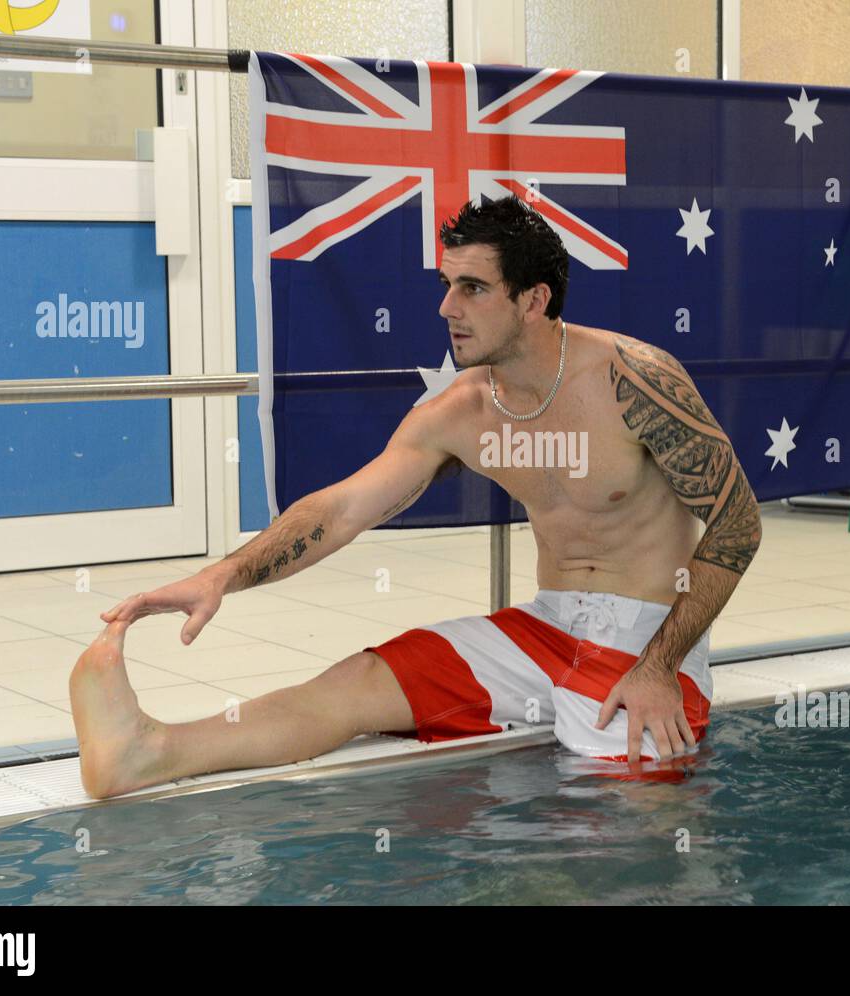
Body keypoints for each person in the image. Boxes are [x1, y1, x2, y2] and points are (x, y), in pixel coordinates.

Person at [71, 195, 762, 799]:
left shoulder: (632, 381)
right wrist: (221, 576)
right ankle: (147, 752)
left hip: (646, 638)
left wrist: (659, 667)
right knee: (359, 681)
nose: (446, 307)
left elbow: (738, 525)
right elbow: (342, 510)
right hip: (547, 627)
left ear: (534, 299)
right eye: (445, 284)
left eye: (472, 288)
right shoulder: (461, 408)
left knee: (612, 816)